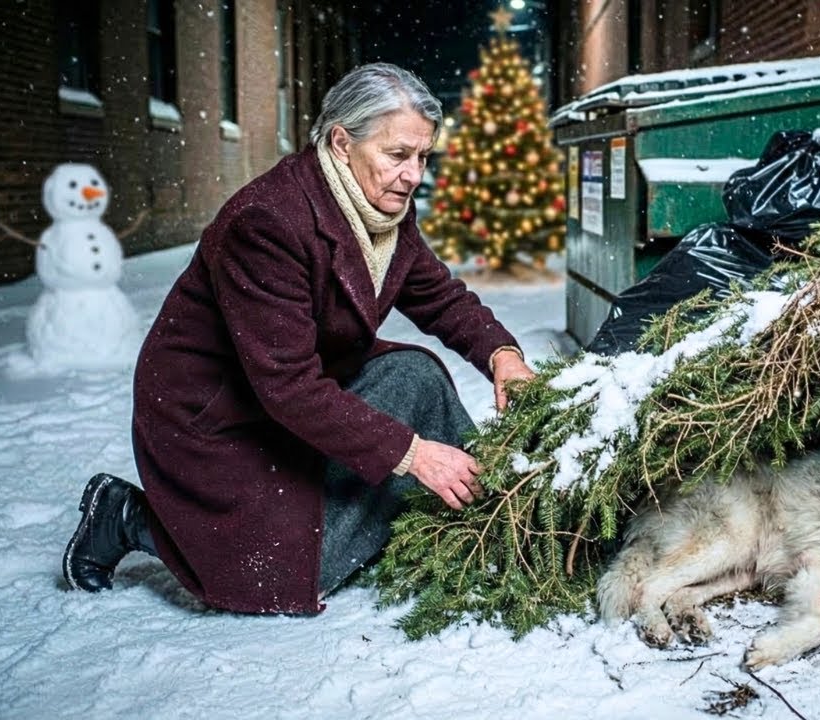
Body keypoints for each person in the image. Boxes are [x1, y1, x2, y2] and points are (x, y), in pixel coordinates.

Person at [61, 63, 535, 614]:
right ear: (341, 142)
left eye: (423, 156)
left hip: (302, 385)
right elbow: (285, 386)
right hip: (217, 418)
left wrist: (503, 355)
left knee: (416, 378)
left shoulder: (382, 210)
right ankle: (126, 516)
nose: (413, 174)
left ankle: (496, 515)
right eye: (397, 154)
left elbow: (438, 296)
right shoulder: (267, 221)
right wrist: (412, 455)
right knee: (287, 577)